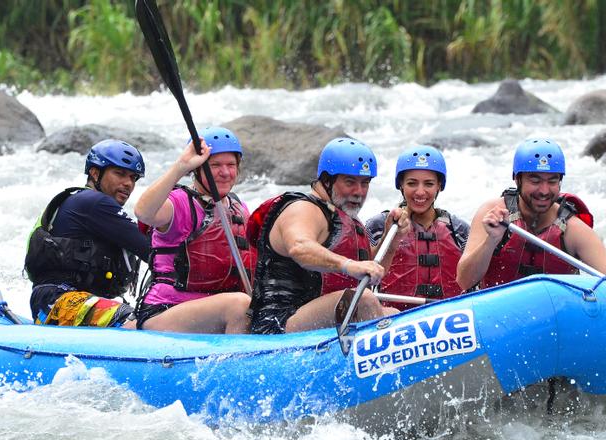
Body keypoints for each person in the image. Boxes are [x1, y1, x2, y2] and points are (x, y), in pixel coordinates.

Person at [248, 137, 408, 334]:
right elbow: (300, 247)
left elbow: (372, 273)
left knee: (391, 313)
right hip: (278, 324)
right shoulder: (303, 208)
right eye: (350, 182)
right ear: (326, 180)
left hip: (317, 318)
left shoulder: (343, 216)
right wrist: (349, 265)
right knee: (363, 301)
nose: (359, 192)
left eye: (365, 183)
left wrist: (391, 240)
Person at [456, 138, 606, 298]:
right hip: (495, 316)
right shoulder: (493, 213)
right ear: (517, 180)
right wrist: (491, 240)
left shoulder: (572, 229)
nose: (544, 191)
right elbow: (464, 281)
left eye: (552, 181)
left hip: (554, 321)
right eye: (535, 181)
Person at [132, 127, 254, 334]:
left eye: (231, 165)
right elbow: (143, 212)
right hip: (166, 311)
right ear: (197, 168)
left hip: (217, 310)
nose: (225, 173)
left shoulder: (238, 208)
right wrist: (181, 166)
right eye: (215, 165)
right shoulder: (180, 202)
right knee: (240, 305)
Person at [24, 139, 150, 327]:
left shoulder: (84, 203)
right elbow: (151, 250)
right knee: (146, 321)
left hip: (55, 301)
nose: (128, 183)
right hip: (62, 301)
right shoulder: (94, 202)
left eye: (133, 177)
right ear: (95, 172)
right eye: (120, 174)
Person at [366, 145, 469, 309]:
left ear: (439, 186)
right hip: (393, 320)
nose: (420, 192)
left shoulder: (459, 230)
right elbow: (361, 275)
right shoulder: (378, 226)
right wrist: (388, 236)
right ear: (401, 185)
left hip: (449, 318)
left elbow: (473, 279)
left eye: (428, 184)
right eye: (412, 183)